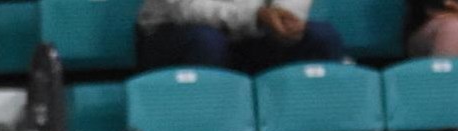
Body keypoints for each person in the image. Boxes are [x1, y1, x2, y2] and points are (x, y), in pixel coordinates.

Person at [134, 0, 346, 72]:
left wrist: (285, 17)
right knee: (207, 42)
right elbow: (186, 8)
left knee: (321, 37)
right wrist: (256, 16)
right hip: (172, 35)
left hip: (250, 33)